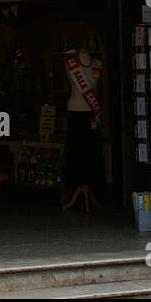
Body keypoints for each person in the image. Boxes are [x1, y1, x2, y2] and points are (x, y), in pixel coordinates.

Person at [61, 47, 104, 212]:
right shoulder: (69, 64)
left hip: (92, 114)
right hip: (74, 112)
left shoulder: (98, 64)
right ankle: (76, 188)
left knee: (91, 152)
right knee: (76, 152)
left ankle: (90, 188)